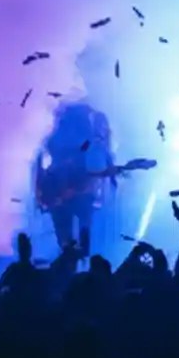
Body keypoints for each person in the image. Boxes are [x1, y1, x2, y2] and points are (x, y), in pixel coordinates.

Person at [34, 103, 114, 256]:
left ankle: (76, 255)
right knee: (73, 230)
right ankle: (76, 255)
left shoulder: (83, 139)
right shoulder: (66, 138)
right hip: (65, 190)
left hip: (73, 190)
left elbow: (92, 164)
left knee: (74, 230)